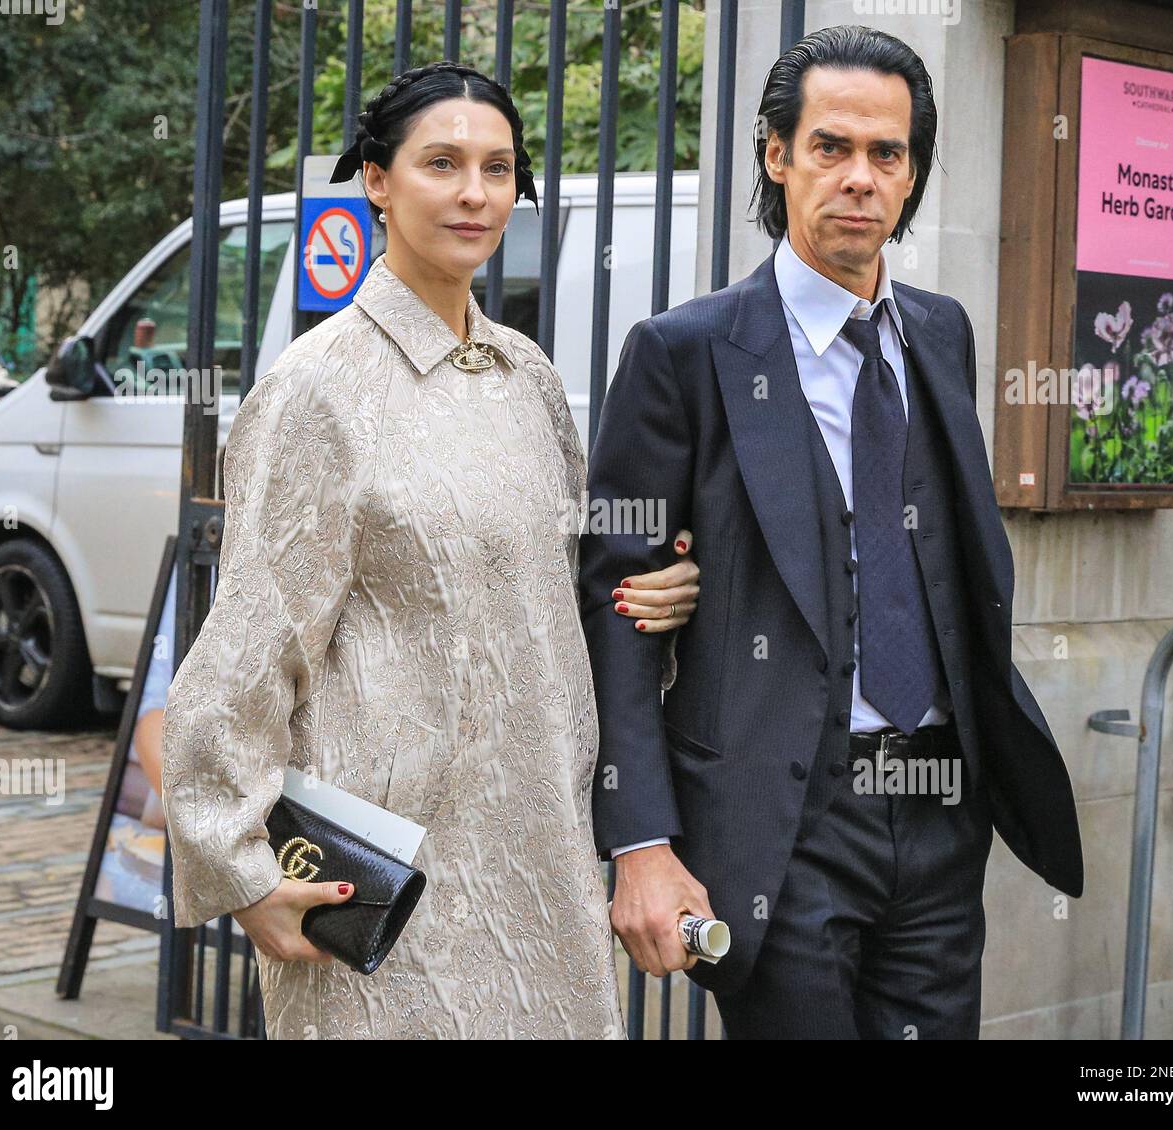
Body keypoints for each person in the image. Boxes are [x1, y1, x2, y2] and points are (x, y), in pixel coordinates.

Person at [160, 61, 702, 1040]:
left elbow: (560, 588)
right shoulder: (316, 393)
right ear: (376, 178)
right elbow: (245, 649)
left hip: (542, 859)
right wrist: (240, 868)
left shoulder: (526, 377)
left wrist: (661, 589)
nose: (473, 192)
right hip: (391, 884)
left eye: (497, 168)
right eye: (442, 163)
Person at [579, 25, 1084, 1039]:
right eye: (830, 147)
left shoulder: (939, 332)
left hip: (941, 804)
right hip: (781, 822)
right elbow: (616, 601)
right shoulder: (684, 353)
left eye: (885, 154)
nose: (858, 177)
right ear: (778, 155)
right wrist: (640, 839)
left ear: (910, 175)